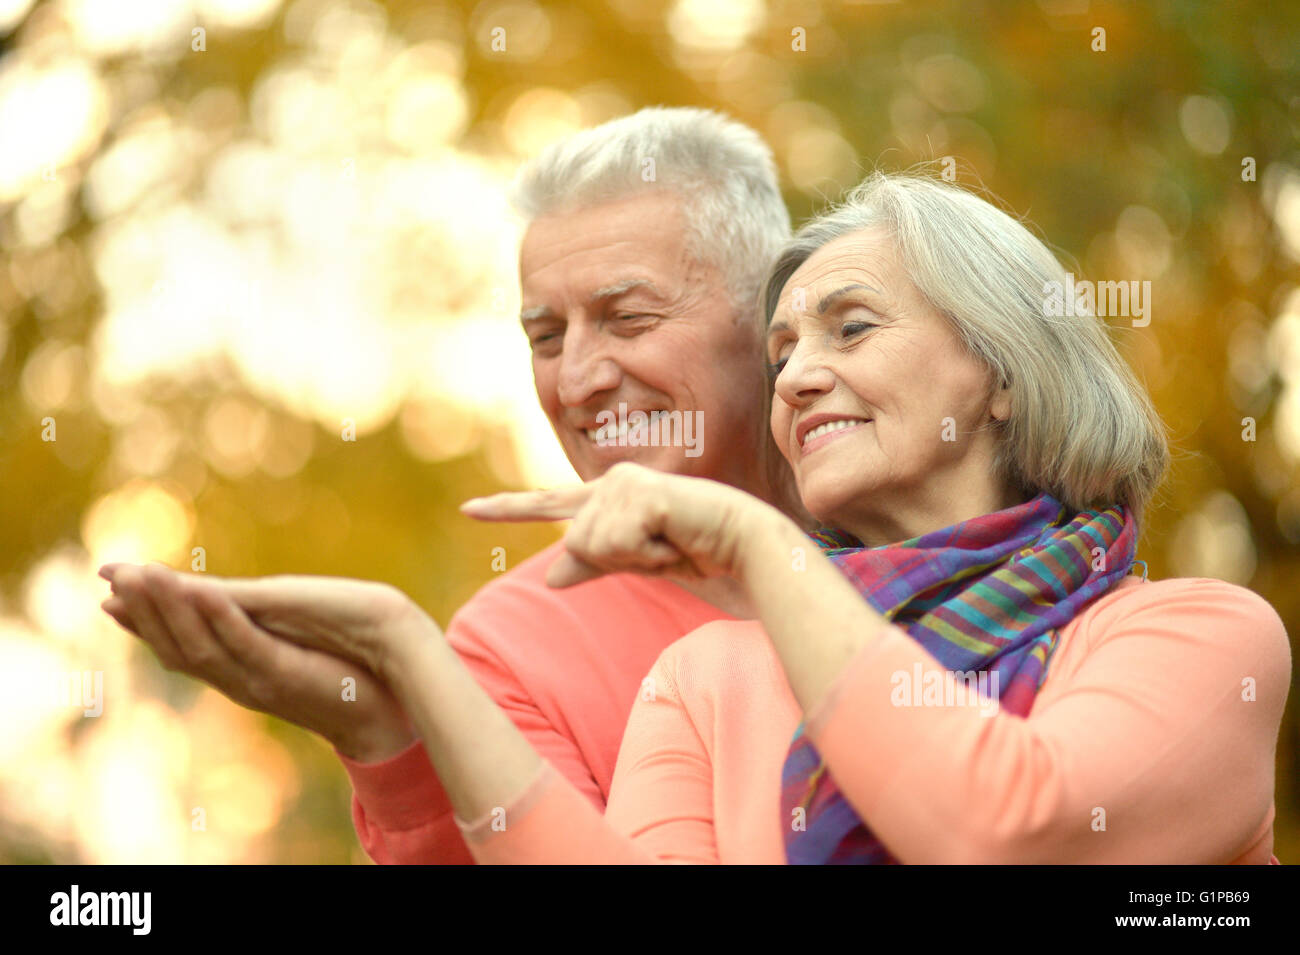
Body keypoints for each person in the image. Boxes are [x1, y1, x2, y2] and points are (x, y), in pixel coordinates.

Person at [112, 169, 1289, 863]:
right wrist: (406, 666)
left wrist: (760, 544)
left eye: (851, 328)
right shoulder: (711, 674)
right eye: (781, 350)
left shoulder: (1199, 639)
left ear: (1003, 371)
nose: (796, 378)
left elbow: (1000, 828)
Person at [97, 107, 798, 864]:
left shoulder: (908, 519)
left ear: (770, 319)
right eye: (547, 338)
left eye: (628, 318)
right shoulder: (511, 645)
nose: (578, 380)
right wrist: (387, 737)